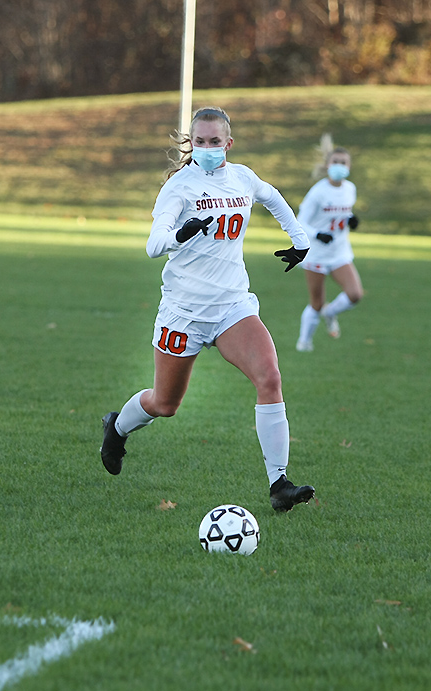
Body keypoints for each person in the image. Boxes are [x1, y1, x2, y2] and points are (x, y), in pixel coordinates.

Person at [99, 107, 314, 512]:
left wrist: (299, 240)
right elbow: (153, 244)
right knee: (165, 404)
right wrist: (181, 234)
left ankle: (279, 484)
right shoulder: (179, 187)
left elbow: (271, 196)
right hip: (184, 311)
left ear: (228, 144)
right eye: (201, 142)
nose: (208, 148)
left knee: (270, 376)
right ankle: (117, 427)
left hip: (232, 305)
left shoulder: (242, 177)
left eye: (216, 142)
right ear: (192, 144)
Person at [295, 136, 363, 352]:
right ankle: (304, 342)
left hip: (339, 251)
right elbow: (300, 220)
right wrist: (318, 234)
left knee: (355, 294)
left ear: (349, 166)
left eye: (344, 163)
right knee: (316, 302)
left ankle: (331, 312)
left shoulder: (350, 188)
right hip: (316, 254)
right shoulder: (318, 191)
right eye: (336, 162)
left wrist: (351, 220)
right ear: (327, 165)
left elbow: (344, 213)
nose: (339, 166)